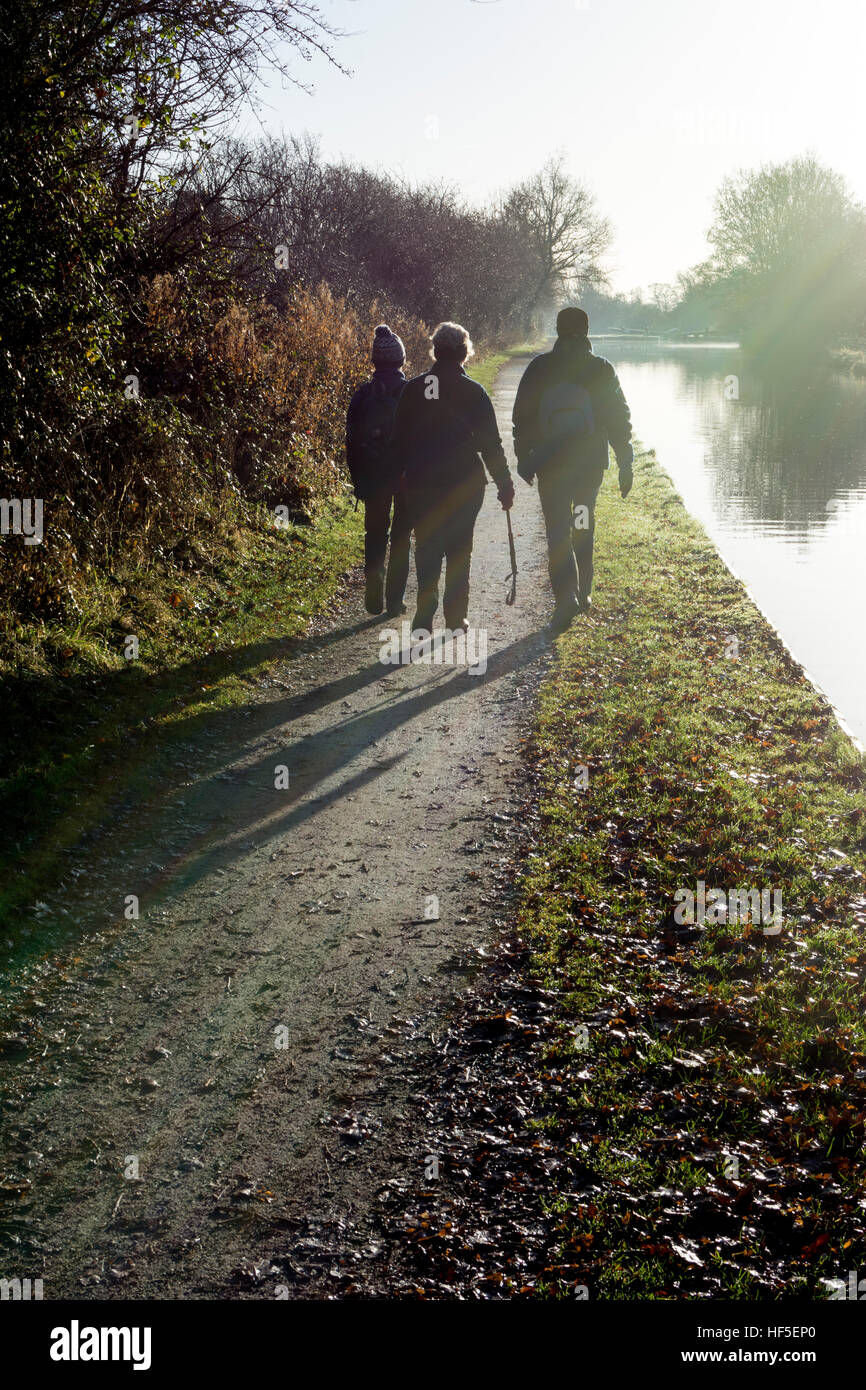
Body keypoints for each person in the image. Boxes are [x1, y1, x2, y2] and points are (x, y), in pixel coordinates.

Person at [512, 305, 634, 633]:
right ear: (587, 331)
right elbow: (618, 416)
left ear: (559, 330)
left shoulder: (541, 367)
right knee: (583, 523)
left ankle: (565, 598)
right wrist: (626, 460)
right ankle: (584, 593)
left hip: (551, 467)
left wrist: (524, 457)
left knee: (557, 531)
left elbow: (521, 416)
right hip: (588, 467)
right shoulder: (600, 368)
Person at [391, 321, 514, 635]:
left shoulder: (414, 389)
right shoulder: (473, 392)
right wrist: (504, 484)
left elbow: (398, 440)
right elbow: (491, 444)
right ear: (464, 353)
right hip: (465, 483)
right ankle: (456, 616)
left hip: (422, 481)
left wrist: (399, 478)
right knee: (460, 547)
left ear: (436, 350)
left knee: (428, 545)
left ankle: (425, 608)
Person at [345, 324, 411, 616]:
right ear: (401, 360)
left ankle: (374, 588)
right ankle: (395, 601)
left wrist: (358, 480)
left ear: (374, 361)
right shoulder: (413, 392)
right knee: (401, 536)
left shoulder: (361, 396)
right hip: (406, 476)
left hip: (373, 475)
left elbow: (351, 442)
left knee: (374, 533)